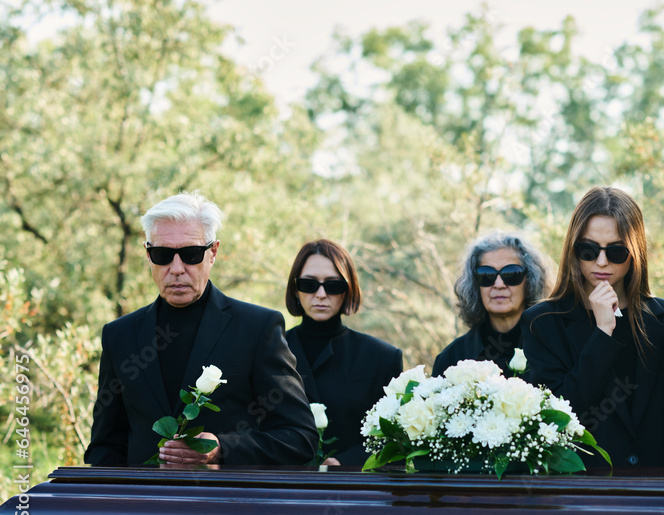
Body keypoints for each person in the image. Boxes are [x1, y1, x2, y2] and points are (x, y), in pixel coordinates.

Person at [85, 192, 317, 466]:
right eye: (162, 255)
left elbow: (300, 438)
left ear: (213, 252)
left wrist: (221, 449)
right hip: (143, 506)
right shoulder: (118, 336)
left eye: (191, 254)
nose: (177, 268)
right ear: (148, 254)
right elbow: (104, 448)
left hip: (225, 505)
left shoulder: (258, 328)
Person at [522, 186, 664, 469]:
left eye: (617, 251)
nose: (601, 261)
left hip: (655, 490)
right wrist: (602, 334)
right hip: (581, 493)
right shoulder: (543, 322)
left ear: (635, 252)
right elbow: (558, 416)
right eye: (588, 249)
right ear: (574, 250)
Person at [284, 239, 403, 466]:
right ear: (295, 288)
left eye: (333, 285)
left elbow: (395, 440)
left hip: (357, 492)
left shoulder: (382, 358)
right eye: (309, 284)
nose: (320, 294)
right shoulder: (268, 350)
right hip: (281, 491)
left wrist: (345, 463)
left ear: (348, 289)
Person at [432, 231, 551, 377]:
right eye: (486, 275)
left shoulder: (552, 350)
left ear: (530, 281)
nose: (499, 284)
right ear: (475, 284)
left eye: (511, 274)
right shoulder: (452, 359)